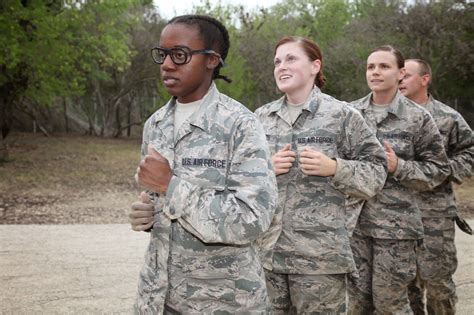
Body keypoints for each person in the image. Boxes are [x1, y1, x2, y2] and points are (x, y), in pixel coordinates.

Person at [129, 14, 278, 314]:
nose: (167, 65)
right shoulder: (155, 124)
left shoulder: (240, 125)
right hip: (158, 298)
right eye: (162, 54)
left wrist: (170, 186)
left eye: (180, 55)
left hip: (222, 301)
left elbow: (252, 220)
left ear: (212, 60)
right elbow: (160, 204)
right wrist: (147, 215)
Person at [254, 36, 387, 314]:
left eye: (291, 59)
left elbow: (377, 172)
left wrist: (336, 168)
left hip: (319, 261)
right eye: (277, 61)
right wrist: (265, 169)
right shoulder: (260, 118)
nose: (281, 66)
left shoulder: (342, 116)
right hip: (267, 255)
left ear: (315, 66)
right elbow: (239, 178)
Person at [348, 46, 450, 314]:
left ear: (401, 73)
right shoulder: (349, 114)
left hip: (396, 231)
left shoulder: (418, 118)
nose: (376, 72)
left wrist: (399, 166)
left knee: (389, 303)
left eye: (384, 66)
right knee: (356, 304)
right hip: (354, 227)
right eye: (371, 67)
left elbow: (438, 170)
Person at [399, 58, 474, 315]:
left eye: (406, 75)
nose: (400, 81)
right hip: (395, 213)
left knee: (438, 283)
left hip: (435, 214)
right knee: (404, 285)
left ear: (424, 79)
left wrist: (441, 172)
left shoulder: (448, 117)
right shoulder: (388, 117)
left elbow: (469, 151)